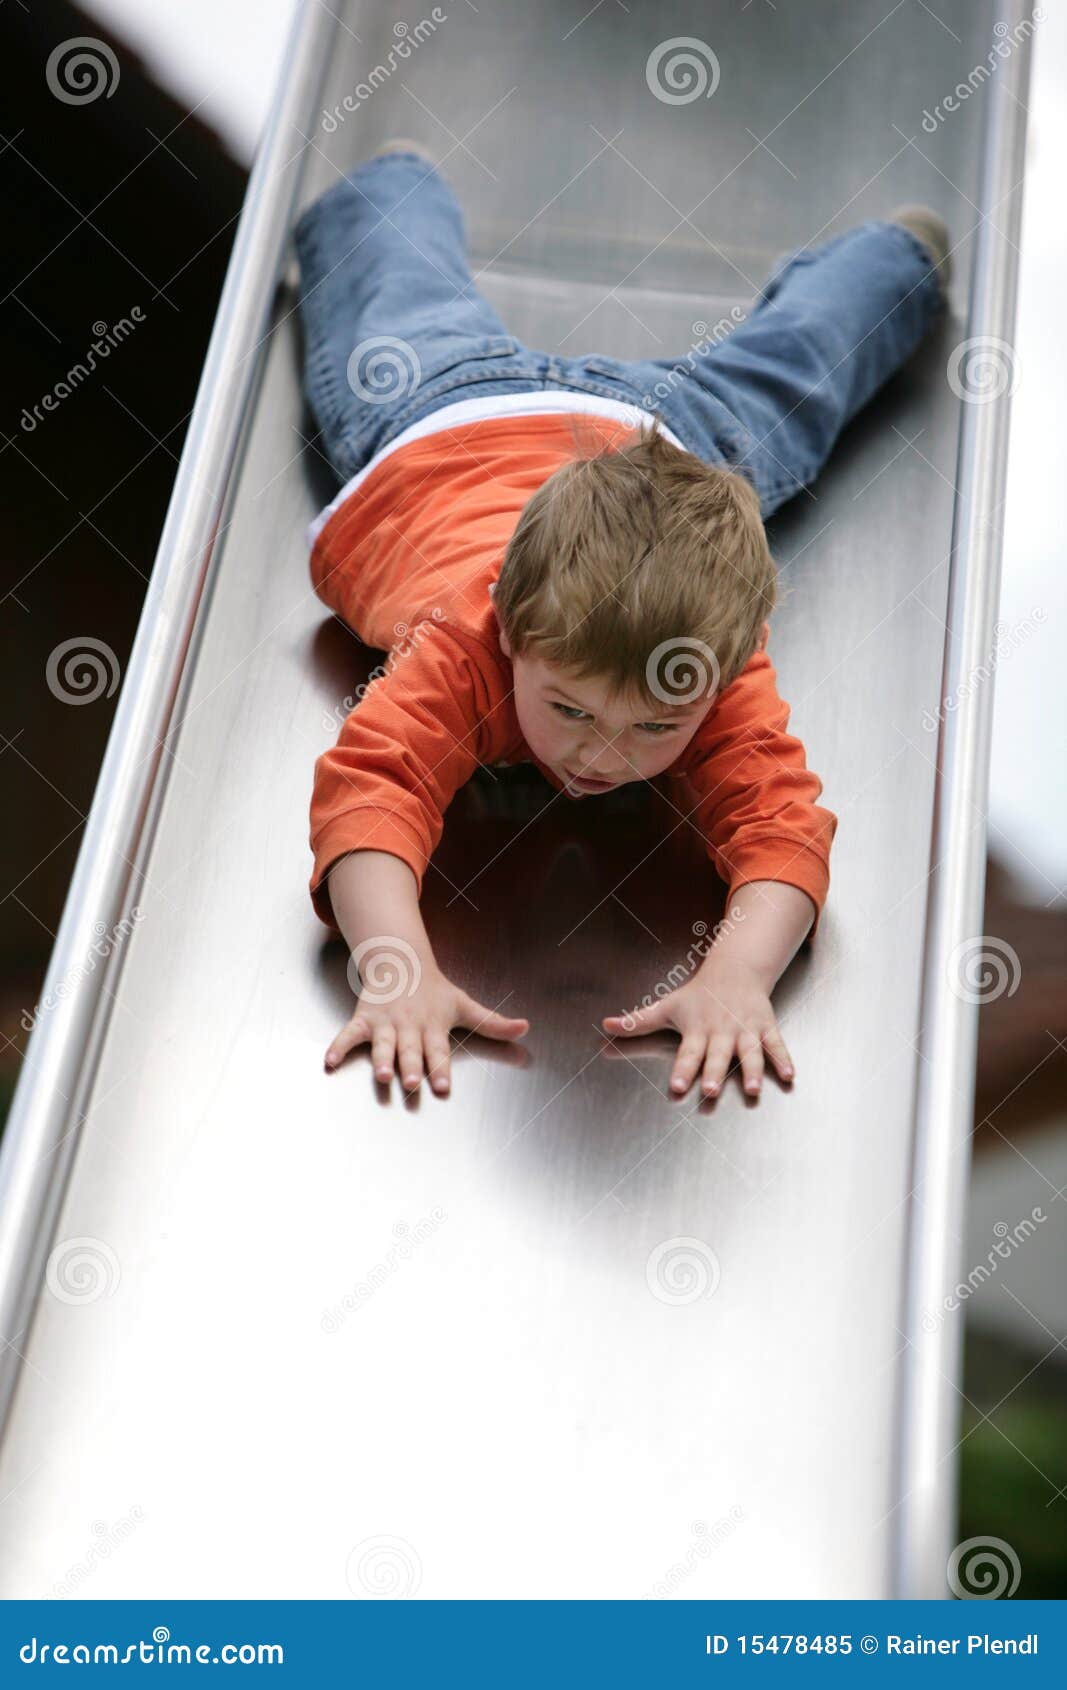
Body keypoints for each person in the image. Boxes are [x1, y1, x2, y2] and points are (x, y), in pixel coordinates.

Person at [294, 140, 950, 1100]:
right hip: (446, 408)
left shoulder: (707, 660)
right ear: (513, 634)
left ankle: (898, 266)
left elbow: (782, 829)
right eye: (569, 710)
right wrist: (394, 967)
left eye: (654, 725)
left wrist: (736, 974)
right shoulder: (464, 640)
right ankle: (386, 181)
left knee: (797, 379)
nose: (603, 755)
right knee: (395, 304)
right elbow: (372, 795)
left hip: (664, 438)